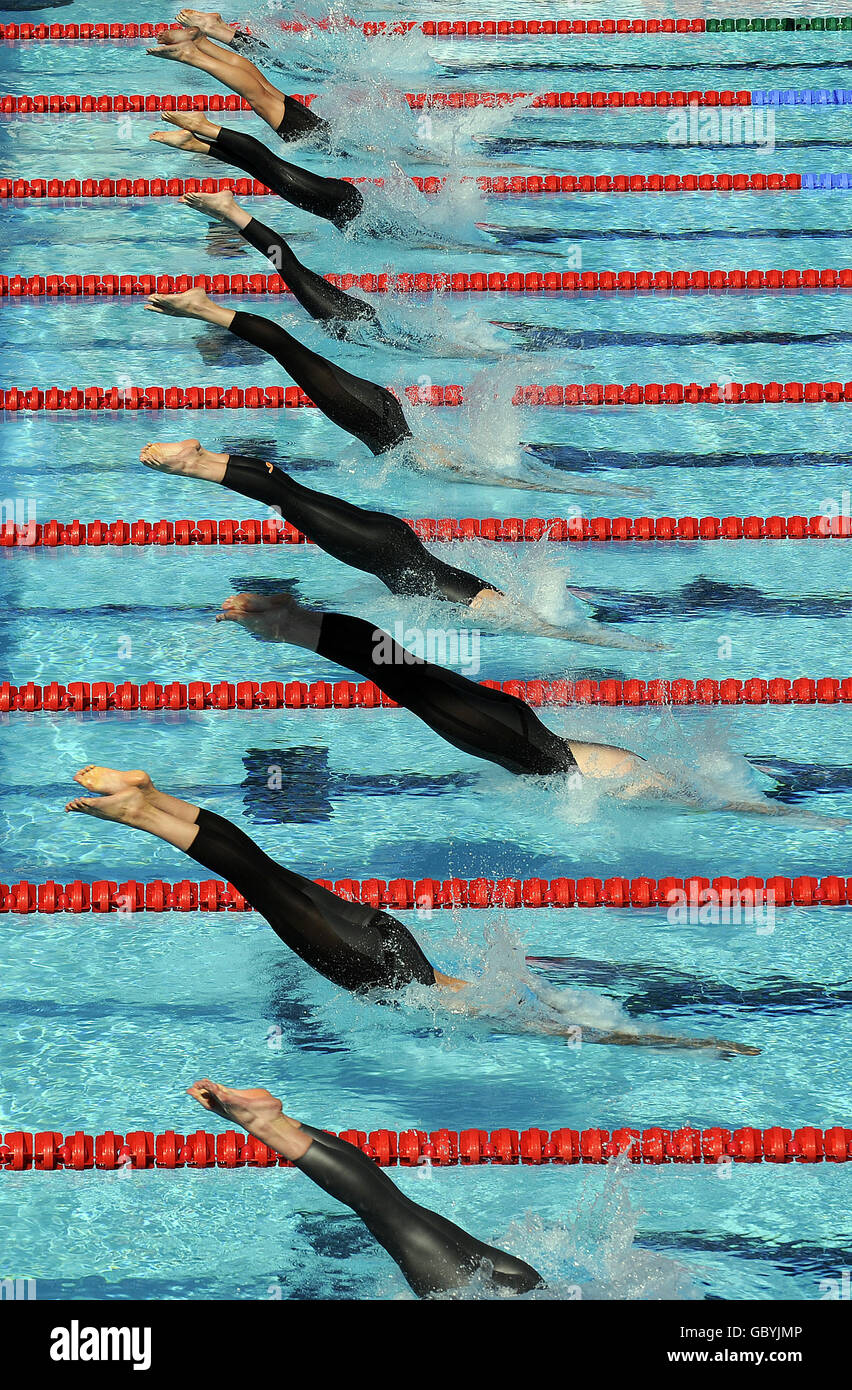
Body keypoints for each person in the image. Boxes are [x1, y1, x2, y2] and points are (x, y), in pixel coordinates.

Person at [64, 765, 759, 1054]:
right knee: (262, 883)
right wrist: (684, 1046)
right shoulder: (496, 1012)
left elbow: (566, 1013)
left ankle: (149, 799)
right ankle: (140, 810)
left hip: (388, 936)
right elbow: (585, 1034)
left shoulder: (493, 987)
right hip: (374, 958)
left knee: (267, 874)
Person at [214, 591, 850, 824]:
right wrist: (798, 820)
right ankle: (290, 623)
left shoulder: (640, 773)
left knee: (404, 674)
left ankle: (292, 623)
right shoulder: (649, 780)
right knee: (404, 676)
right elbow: (715, 801)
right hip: (510, 734)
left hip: (511, 731)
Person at [139, 438, 664, 650]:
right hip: (382, 550)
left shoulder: (482, 592)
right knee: (291, 499)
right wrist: (619, 644)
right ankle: (196, 463)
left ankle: (204, 460)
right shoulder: (495, 605)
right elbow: (543, 626)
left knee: (294, 496)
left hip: (388, 544)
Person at [142, 288, 647, 496]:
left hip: (375, 408)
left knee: (293, 355)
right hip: (369, 412)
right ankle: (204, 309)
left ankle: (205, 313)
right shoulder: (422, 456)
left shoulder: (421, 452)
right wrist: (565, 490)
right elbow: (469, 470)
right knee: (292, 354)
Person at [186, 1076, 546, 1299]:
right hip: (488, 1294)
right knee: (388, 1212)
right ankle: (266, 1124)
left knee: (396, 1207)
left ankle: (279, 1122)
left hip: (530, 1284)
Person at [148, 22, 329, 144]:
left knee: (265, 89)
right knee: (259, 98)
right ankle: (192, 55)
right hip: (317, 136)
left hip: (322, 128)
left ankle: (201, 43)